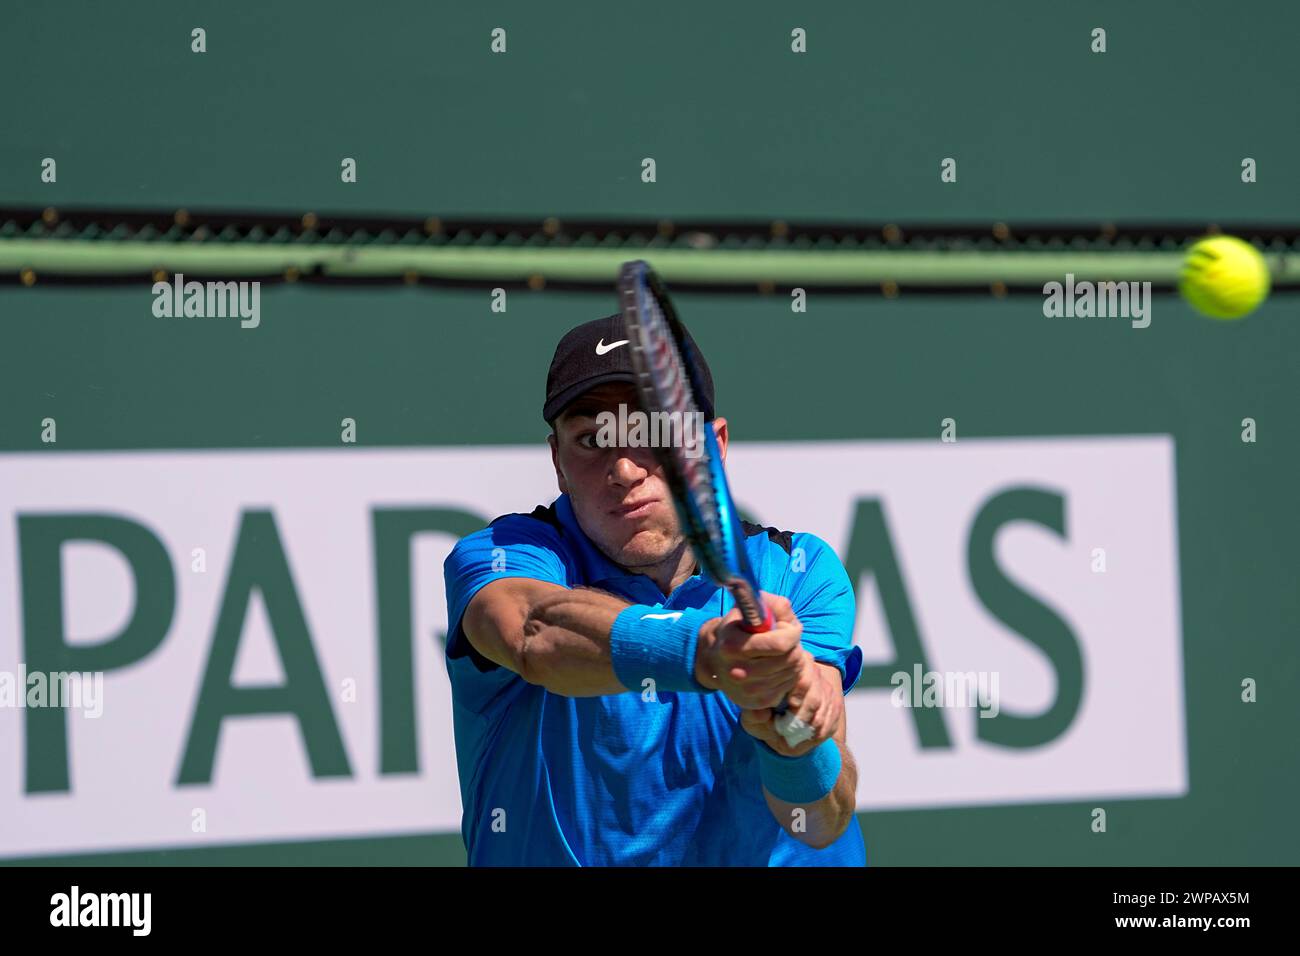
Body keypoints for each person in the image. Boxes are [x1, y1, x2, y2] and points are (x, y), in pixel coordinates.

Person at [442, 312, 865, 865]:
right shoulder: (504, 555)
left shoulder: (798, 570)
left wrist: (794, 735)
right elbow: (532, 631)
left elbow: (821, 820)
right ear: (557, 462)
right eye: (592, 438)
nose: (622, 466)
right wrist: (706, 649)